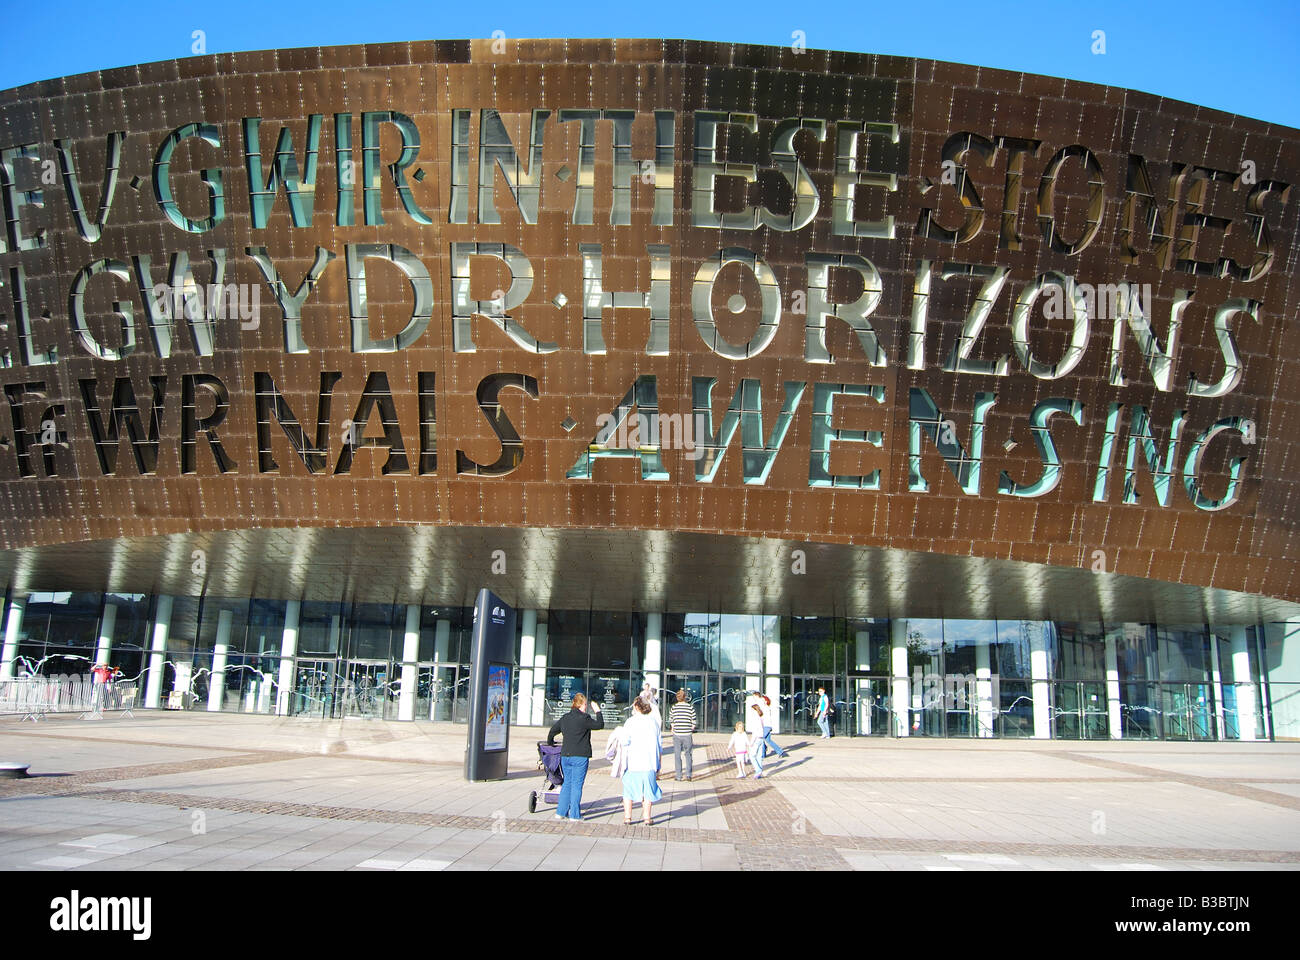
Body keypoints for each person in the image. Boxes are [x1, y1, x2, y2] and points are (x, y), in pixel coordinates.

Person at [547, 692, 603, 821]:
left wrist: (550, 743)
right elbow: (600, 725)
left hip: (565, 755)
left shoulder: (565, 717)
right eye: (585, 705)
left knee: (567, 783)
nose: (586, 707)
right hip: (580, 756)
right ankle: (575, 815)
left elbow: (552, 731)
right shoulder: (585, 718)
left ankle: (560, 812)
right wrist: (598, 711)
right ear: (582, 704)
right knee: (577, 785)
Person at [621, 697, 663, 825]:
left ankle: (627, 817)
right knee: (648, 792)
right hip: (649, 762)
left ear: (637, 707)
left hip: (633, 762)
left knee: (628, 790)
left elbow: (624, 741)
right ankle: (647, 818)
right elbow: (659, 745)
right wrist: (658, 765)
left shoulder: (630, 722)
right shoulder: (654, 722)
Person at [668, 689, 697, 781]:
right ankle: (688, 775)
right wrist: (690, 729)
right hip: (687, 734)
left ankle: (679, 775)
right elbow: (693, 722)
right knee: (688, 754)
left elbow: (672, 721)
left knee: (677, 755)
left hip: (677, 734)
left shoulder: (674, 708)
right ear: (685, 697)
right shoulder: (690, 707)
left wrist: (673, 728)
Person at [758, 694, 786, 760]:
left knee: (761, 739)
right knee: (768, 740)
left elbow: (761, 716)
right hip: (766, 726)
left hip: (766, 726)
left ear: (765, 701)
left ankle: (763, 754)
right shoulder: (765, 707)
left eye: (762, 700)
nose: (761, 701)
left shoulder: (765, 708)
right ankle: (780, 752)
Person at [748, 703, 767, 778]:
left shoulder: (755, 719)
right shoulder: (761, 718)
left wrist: (751, 742)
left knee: (752, 756)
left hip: (756, 739)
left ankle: (758, 770)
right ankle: (759, 771)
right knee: (759, 756)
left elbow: (755, 732)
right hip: (761, 738)